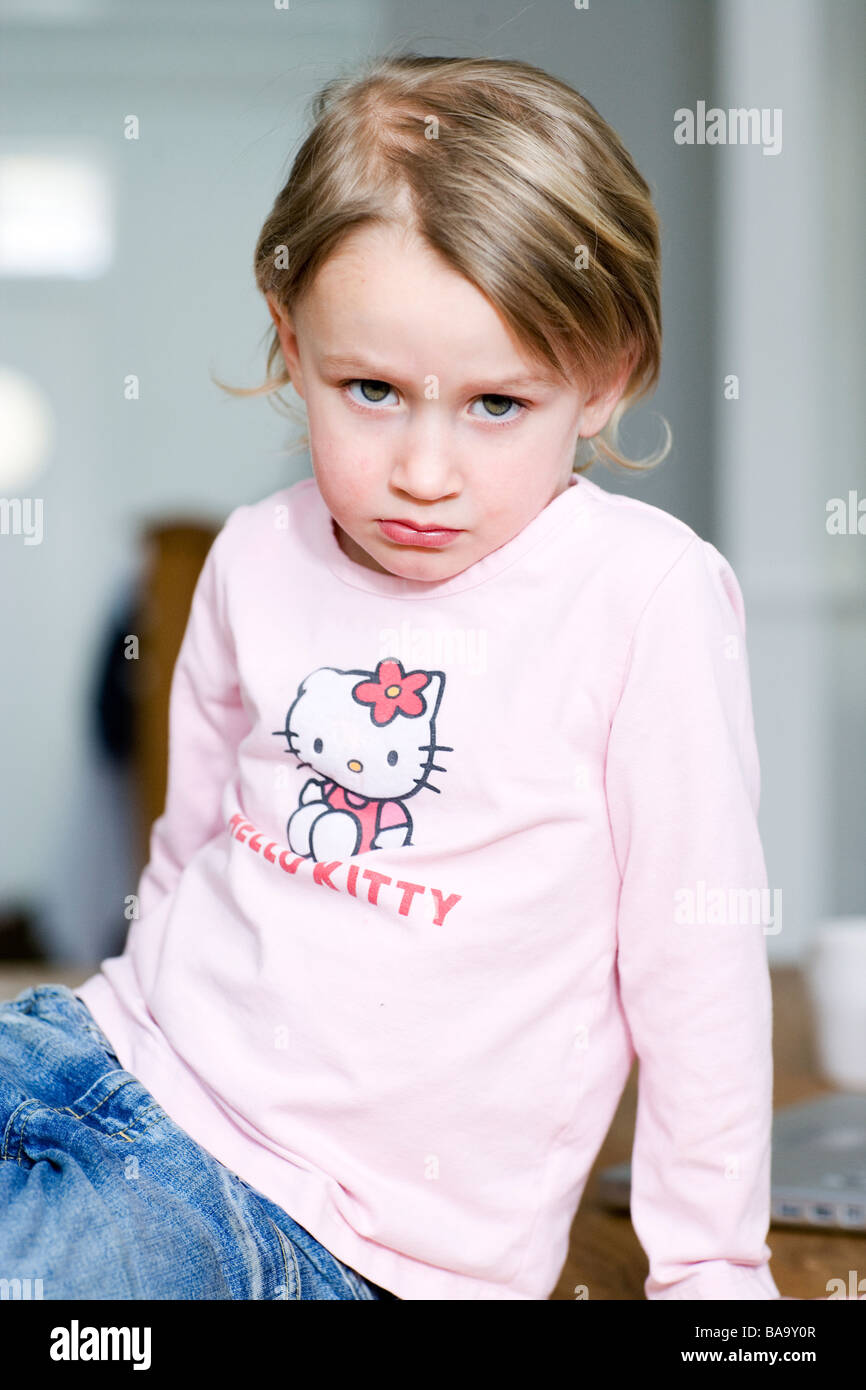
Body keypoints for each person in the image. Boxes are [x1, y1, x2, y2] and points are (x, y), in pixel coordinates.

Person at [0, 52, 781, 1301]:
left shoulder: (643, 597)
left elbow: (694, 970)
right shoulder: (254, 550)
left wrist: (711, 1275)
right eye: (369, 389)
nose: (423, 468)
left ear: (605, 376)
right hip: (97, 1047)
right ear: (290, 343)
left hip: (304, 1218)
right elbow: (189, 839)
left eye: (493, 404)